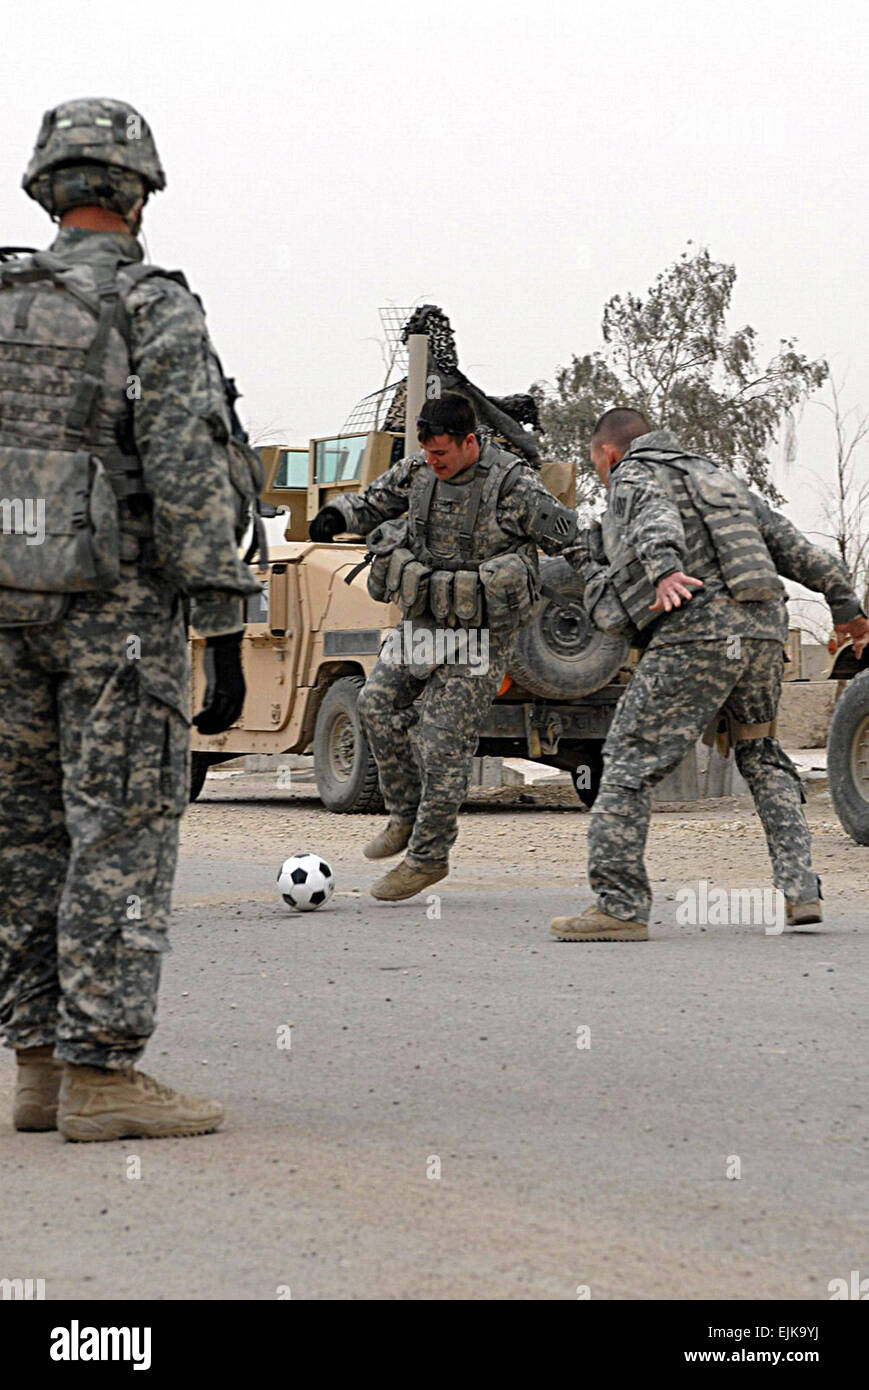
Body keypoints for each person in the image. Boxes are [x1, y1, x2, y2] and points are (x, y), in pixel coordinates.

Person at [0, 98, 262, 1139]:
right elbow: (190, 470)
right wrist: (225, 626)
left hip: (6, 613)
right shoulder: (154, 305)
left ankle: (35, 1068)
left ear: (48, 189)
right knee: (121, 832)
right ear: (137, 192)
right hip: (116, 616)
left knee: (21, 839)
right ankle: (102, 1076)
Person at [550, 408, 869, 943]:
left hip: (697, 634)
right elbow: (789, 544)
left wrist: (664, 567)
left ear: (608, 453)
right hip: (764, 632)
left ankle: (620, 905)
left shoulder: (633, 471)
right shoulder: (717, 477)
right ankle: (800, 890)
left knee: (629, 757)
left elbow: (654, 517)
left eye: (598, 467)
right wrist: (845, 604)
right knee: (761, 752)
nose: (605, 478)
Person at [309, 391, 580, 901]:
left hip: (481, 633)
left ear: (470, 442)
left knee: (440, 740)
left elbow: (571, 539)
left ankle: (428, 858)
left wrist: (618, 596)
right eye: (428, 454)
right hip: (426, 619)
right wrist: (337, 516)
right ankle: (404, 816)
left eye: (442, 454)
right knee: (375, 703)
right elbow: (372, 502)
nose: (433, 463)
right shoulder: (418, 471)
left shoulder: (512, 486)